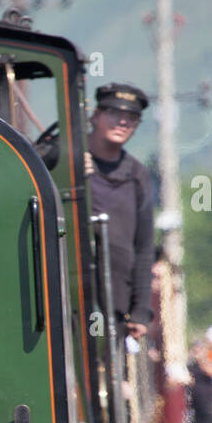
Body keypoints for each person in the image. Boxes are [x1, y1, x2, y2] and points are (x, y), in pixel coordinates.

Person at [87, 83, 154, 340]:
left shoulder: (138, 176)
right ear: (95, 115)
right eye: (115, 113)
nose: (123, 122)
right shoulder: (64, 160)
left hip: (114, 301)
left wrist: (139, 310)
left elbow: (144, 247)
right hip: (63, 295)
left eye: (132, 118)